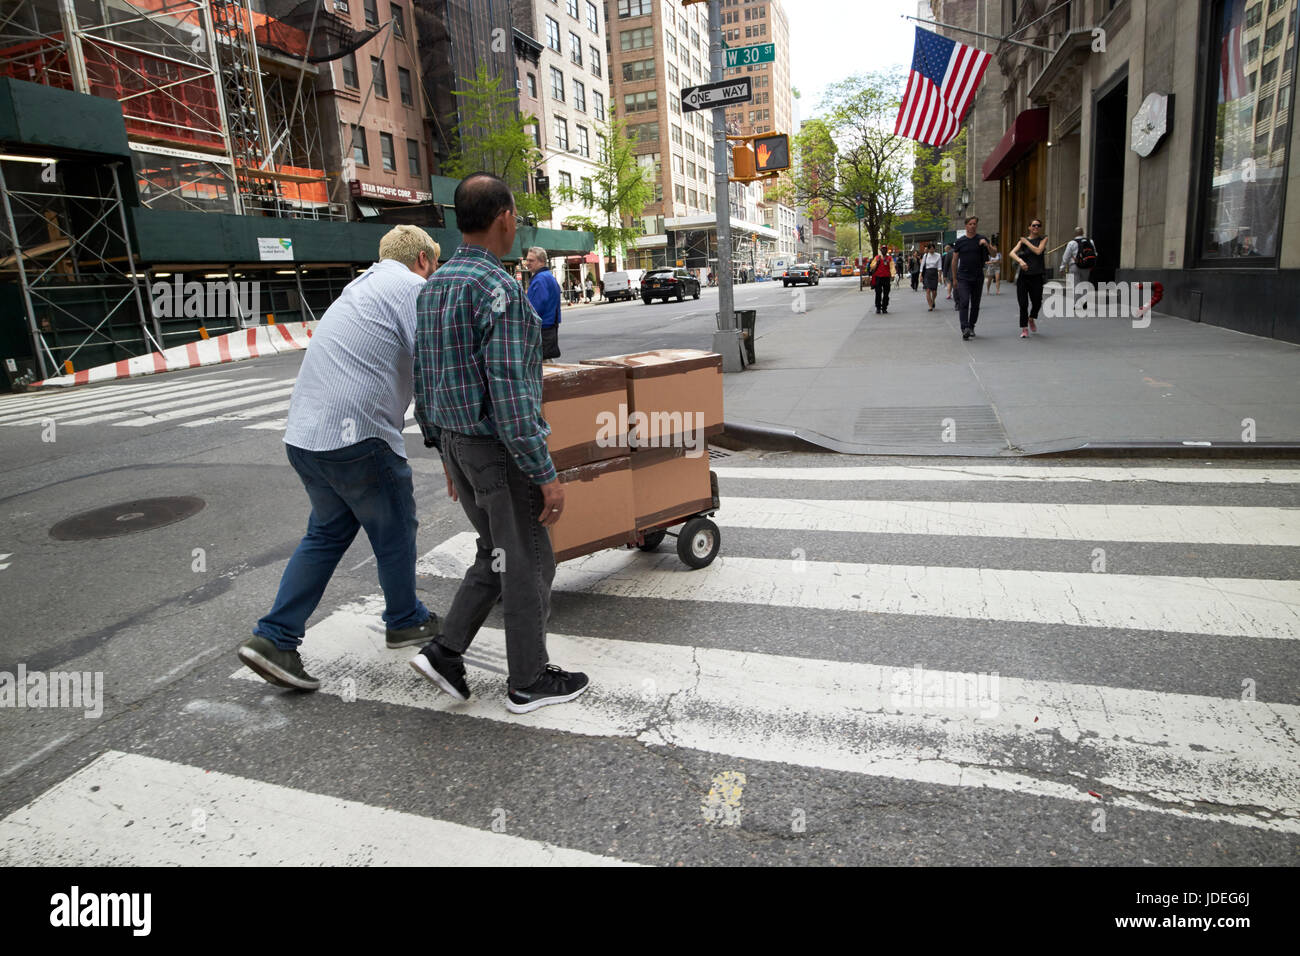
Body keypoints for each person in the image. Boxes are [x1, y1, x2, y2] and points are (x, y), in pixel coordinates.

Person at [413, 172, 588, 714]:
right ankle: (528, 679)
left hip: (458, 446)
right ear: (504, 217)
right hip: (499, 451)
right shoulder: (500, 290)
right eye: (515, 215)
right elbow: (513, 397)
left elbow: (423, 375)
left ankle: (445, 651)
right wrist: (545, 473)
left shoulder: (435, 285)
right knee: (531, 561)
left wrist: (440, 446)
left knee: (497, 554)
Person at [238, 225, 441, 690]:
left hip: (305, 438)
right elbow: (432, 368)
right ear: (424, 260)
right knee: (395, 526)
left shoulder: (358, 287)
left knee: (327, 533)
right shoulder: (412, 288)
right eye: (434, 265)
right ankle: (405, 618)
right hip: (358, 439)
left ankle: (275, 637)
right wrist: (448, 445)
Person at [951, 216, 991, 340]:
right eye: (970, 224)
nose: (973, 226)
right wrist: (954, 278)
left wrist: (987, 245)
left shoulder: (982, 239)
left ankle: (972, 326)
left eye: (975, 224)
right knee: (964, 301)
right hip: (963, 276)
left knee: (975, 304)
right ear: (966, 226)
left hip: (978, 276)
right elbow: (954, 259)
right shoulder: (960, 241)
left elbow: (993, 253)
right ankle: (965, 328)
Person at [1009, 218, 1049, 337]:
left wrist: (1026, 242)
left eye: (1038, 225)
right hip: (1023, 276)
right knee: (1023, 303)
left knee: (1037, 302)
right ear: (1029, 227)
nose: (1036, 227)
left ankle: (1031, 318)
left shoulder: (1043, 239)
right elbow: (1011, 253)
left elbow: (1038, 251)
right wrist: (1020, 261)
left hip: (1037, 275)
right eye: (1034, 225)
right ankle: (1024, 328)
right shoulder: (1022, 241)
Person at [524, 246, 561, 359]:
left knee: (541, 367)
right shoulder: (548, 277)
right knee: (546, 364)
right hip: (548, 328)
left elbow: (534, 309)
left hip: (541, 330)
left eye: (531, 260)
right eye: (527, 260)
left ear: (541, 262)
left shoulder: (540, 279)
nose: (527, 263)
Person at [870, 246, 894, 314]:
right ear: (881, 250)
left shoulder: (889, 258)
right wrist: (877, 263)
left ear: (886, 251)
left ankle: (884, 307)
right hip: (878, 278)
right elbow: (872, 266)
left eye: (885, 249)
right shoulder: (877, 257)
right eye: (882, 249)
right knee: (878, 293)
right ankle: (878, 307)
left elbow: (892, 267)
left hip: (886, 278)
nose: (884, 250)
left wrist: (892, 275)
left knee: (886, 294)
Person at [920, 242, 942, 311]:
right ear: (928, 250)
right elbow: (922, 265)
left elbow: (939, 267)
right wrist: (921, 275)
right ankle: (930, 306)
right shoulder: (925, 256)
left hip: (934, 273)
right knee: (928, 290)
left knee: (934, 291)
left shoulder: (938, 255)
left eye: (933, 249)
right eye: (930, 249)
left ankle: (933, 300)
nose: (932, 250)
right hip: (927, 273)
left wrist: (939, 276)